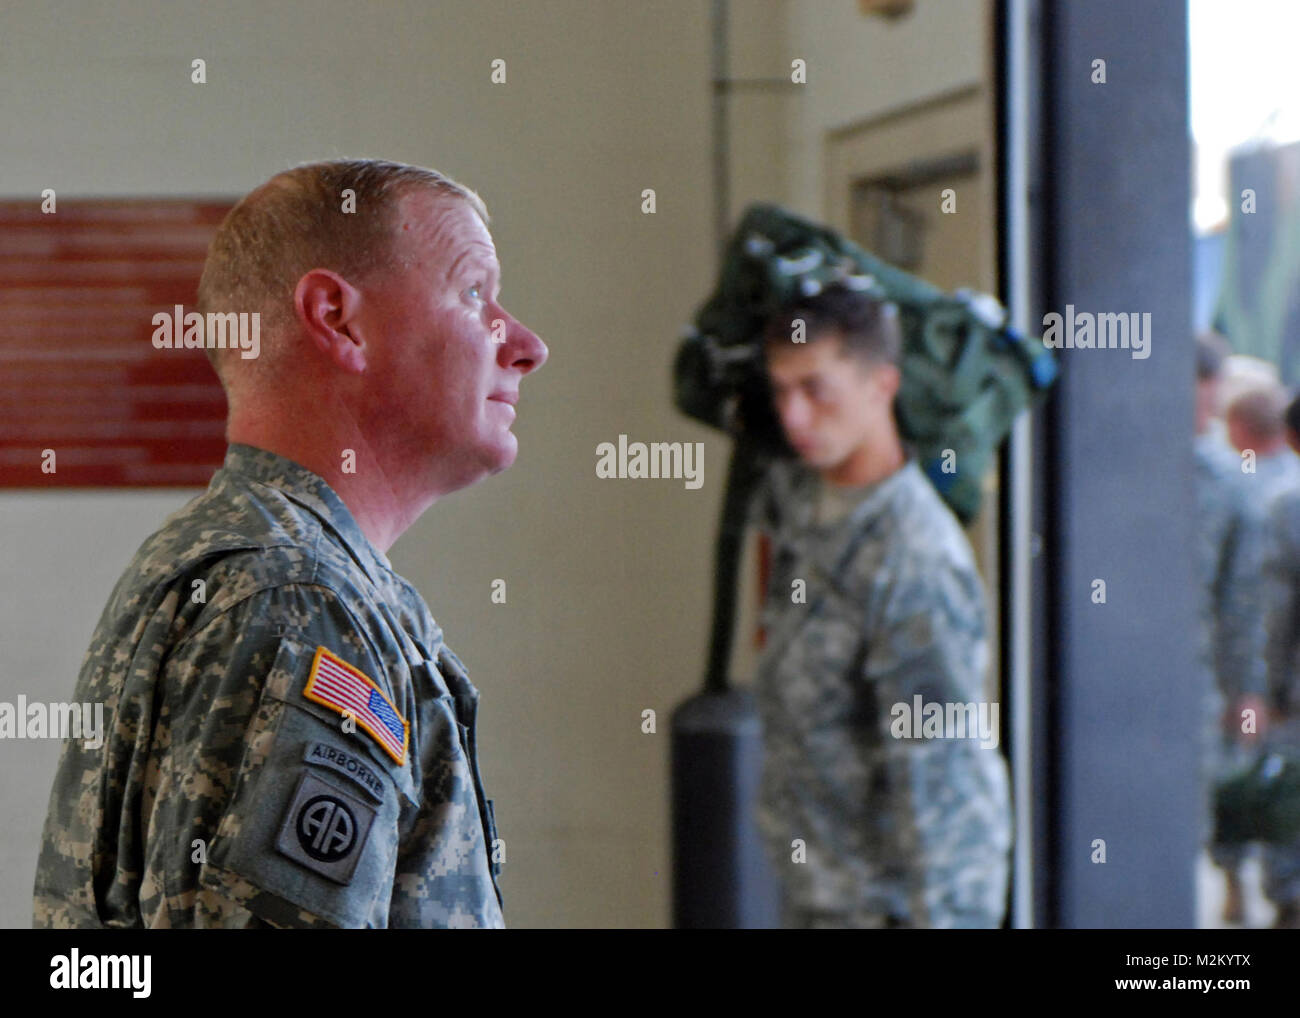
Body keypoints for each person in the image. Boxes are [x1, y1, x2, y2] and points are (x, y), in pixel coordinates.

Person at [32, 159, 548, 928]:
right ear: (337, 319)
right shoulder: (298, 600)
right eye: (474, 293)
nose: (525, 345)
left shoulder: (262, 566)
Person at [748, 283, 1011, 928]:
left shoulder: (913, 556)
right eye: (781, 391)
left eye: (817, 389)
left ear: (882, 386)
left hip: (886, 909)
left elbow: (945, 783)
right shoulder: (795, 504)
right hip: (815, 890)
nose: (795, 417)